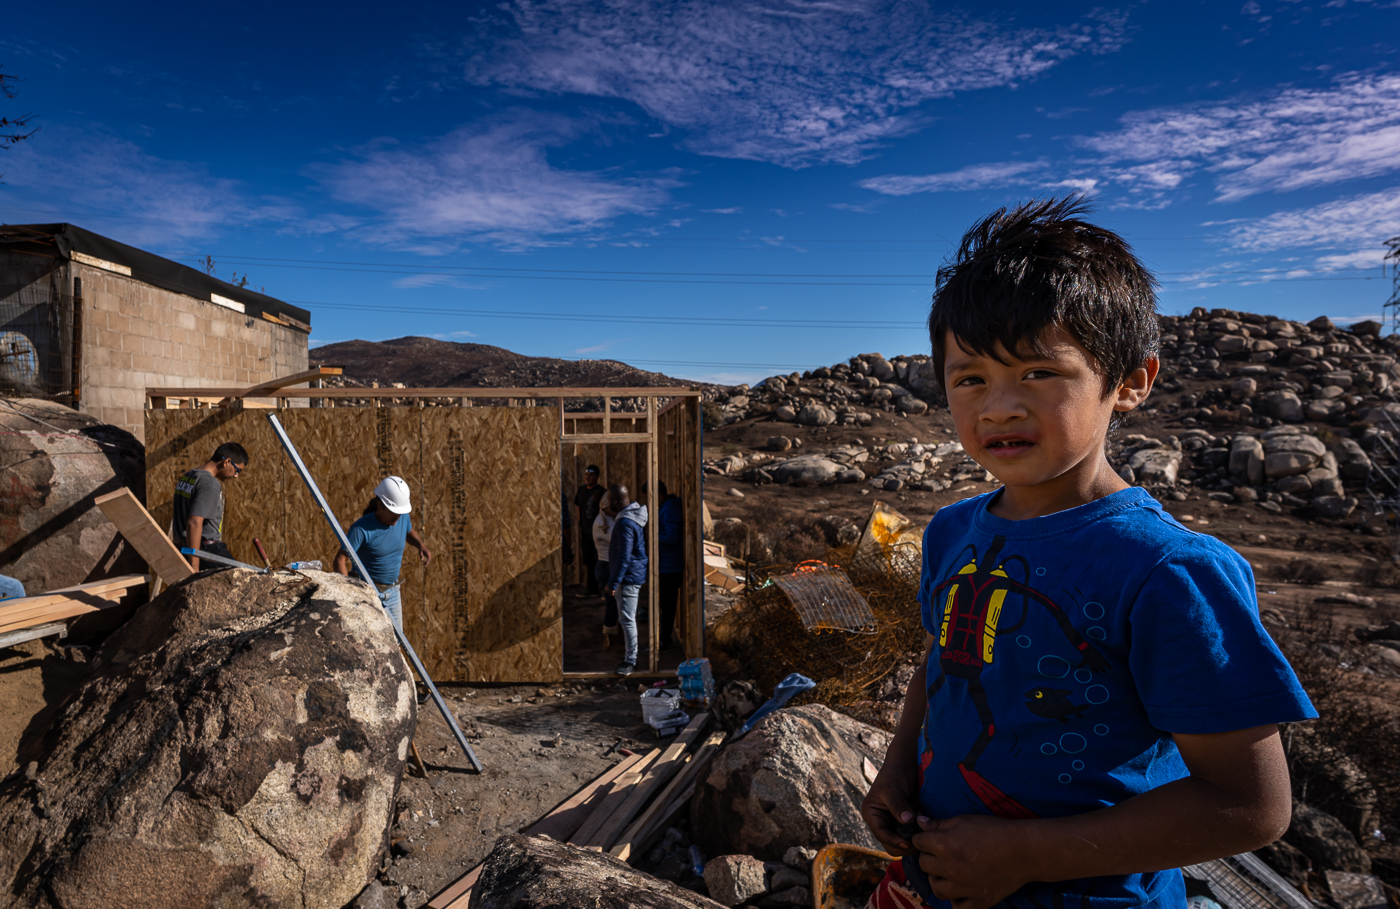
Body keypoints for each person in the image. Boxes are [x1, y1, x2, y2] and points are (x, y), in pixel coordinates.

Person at [859, 197, 1316, 909]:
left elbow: (1252, 805)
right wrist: (897, 767)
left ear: (1130, 381)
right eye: (970, 376)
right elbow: (943, 660)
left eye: (1040, 372)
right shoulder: (952, 531)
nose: (998, 406)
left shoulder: (1167, 572)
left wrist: (1023, 856)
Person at [333, 476, 432, 632]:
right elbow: (339, 560)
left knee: (397, 642)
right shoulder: (361, 529)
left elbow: (408, 531)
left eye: (400, 514)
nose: (397, 518)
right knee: (368, 640)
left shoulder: (402, 517)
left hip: (392, 592)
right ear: (380, 505)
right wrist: (349, 594)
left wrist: (420, 545)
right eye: (394, 513)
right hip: (367, 592)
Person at [171, 442, 248, 571]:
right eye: (237, 470)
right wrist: (194, 567)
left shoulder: (188, 477)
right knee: (242, 581)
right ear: (227, 462)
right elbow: (194, 522)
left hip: (184, 548)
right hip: (206, 551)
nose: (236, 475)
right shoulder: (210, 484)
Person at [604, 483, 647, 676]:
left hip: (628, 577)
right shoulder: (632, 517)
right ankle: (632, 655)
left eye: (609, 501)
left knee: (627, 619)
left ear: (615, 501)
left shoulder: (625, 524)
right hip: (631, 574)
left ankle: (631, 661)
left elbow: (624, 556)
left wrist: (613, 582)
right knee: (628, 618)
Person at [656, 481, 683, 651]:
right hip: (667, 564)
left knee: (667, 606)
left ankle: (665, 641)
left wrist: (654, 536)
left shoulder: (669, 509)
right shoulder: (667, 507)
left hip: (671, 566)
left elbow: (672, 538)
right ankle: (664, 639)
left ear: (660, 494)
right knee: (665, 605)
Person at [594, 484, 623, 642]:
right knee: (612, 603)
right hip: (606, 566)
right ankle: (610, 637)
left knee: (616, 602)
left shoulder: (609, 520)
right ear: (606, 507)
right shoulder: (601, 523)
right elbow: (618, 541)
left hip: (609, 565)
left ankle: (613, 634)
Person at [575, 466, 605, 595]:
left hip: (599, 534)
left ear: (597, 477)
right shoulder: (581, 490)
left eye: (591, 475)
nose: (587, 477)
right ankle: (591, 588)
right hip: (586, 532)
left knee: (600, 560)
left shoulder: (602, 492)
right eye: (586, 474)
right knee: (589, 561)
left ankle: (604, 589)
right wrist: (580, 523)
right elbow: (578, 507)